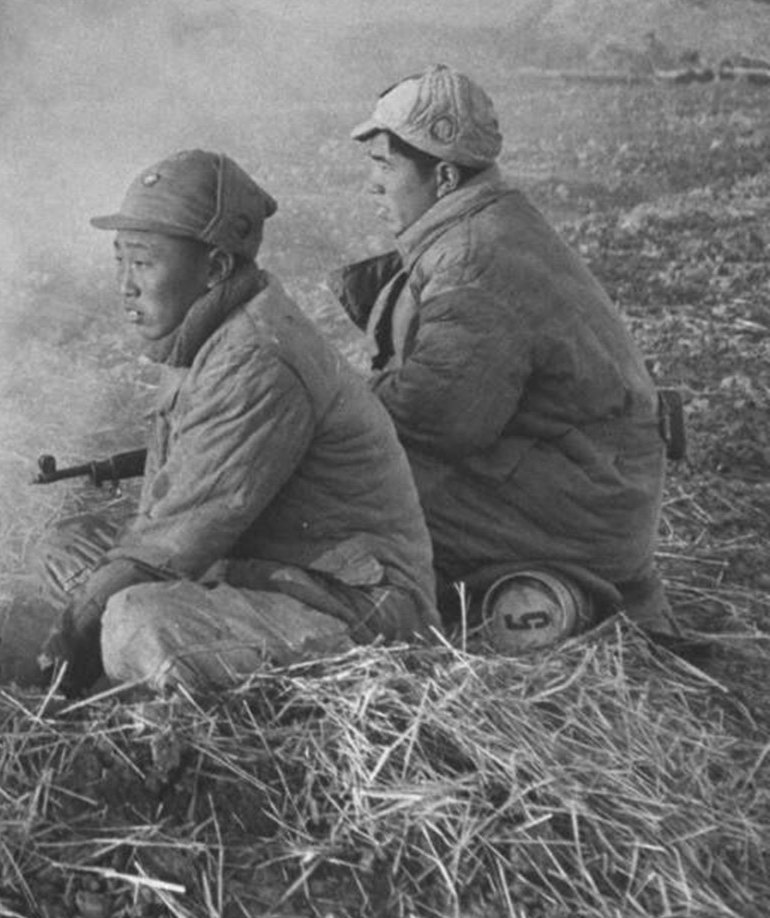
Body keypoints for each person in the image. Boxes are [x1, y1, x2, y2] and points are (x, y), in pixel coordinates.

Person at [39, 149, 438, 696]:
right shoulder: (200, 335)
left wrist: (67, 641)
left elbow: (172, 546)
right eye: (120, 260)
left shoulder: (257, 358)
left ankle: (123, 697)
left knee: (135, 619)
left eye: (145, 262)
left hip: (353, 614)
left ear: (216, 269)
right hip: (260, 574)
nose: (124, 284)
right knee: (65, 548)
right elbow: (163, 521)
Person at [335, 65, 676, 637]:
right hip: (586, 486)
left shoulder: (475, 258)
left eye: (384, 165)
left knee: (344, 490)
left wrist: (329, 409)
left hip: (583, 508)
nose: (373, 183)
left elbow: (441, 420)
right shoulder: (485, 227)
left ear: (443, 176)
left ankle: (535, 594)